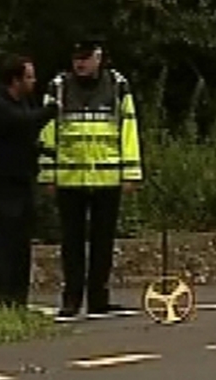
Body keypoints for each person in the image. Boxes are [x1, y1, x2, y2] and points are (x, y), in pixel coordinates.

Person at [37, 39, 143, 318]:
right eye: (76, 58)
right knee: (71, 242)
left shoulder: (118, 85)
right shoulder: (58, 86)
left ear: (99, 57)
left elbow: (128, 128)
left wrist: (131, 173)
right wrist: (48, 173)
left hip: (107, 176)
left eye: (85, 58)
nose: (80, 64)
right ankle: (71, 298)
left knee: (103, 241)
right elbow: (48, 131)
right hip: (70, 177)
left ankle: (99, 297)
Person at [0, 54, 56, 308]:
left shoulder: (23, 103)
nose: (34, 81)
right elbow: (22, 123)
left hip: (23, 181)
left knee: (22, 243)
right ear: (15, 79)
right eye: (29, 77)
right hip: (3, 184)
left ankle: (18, 298)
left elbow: (24, 136)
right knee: (5, 242)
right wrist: (52, 110)